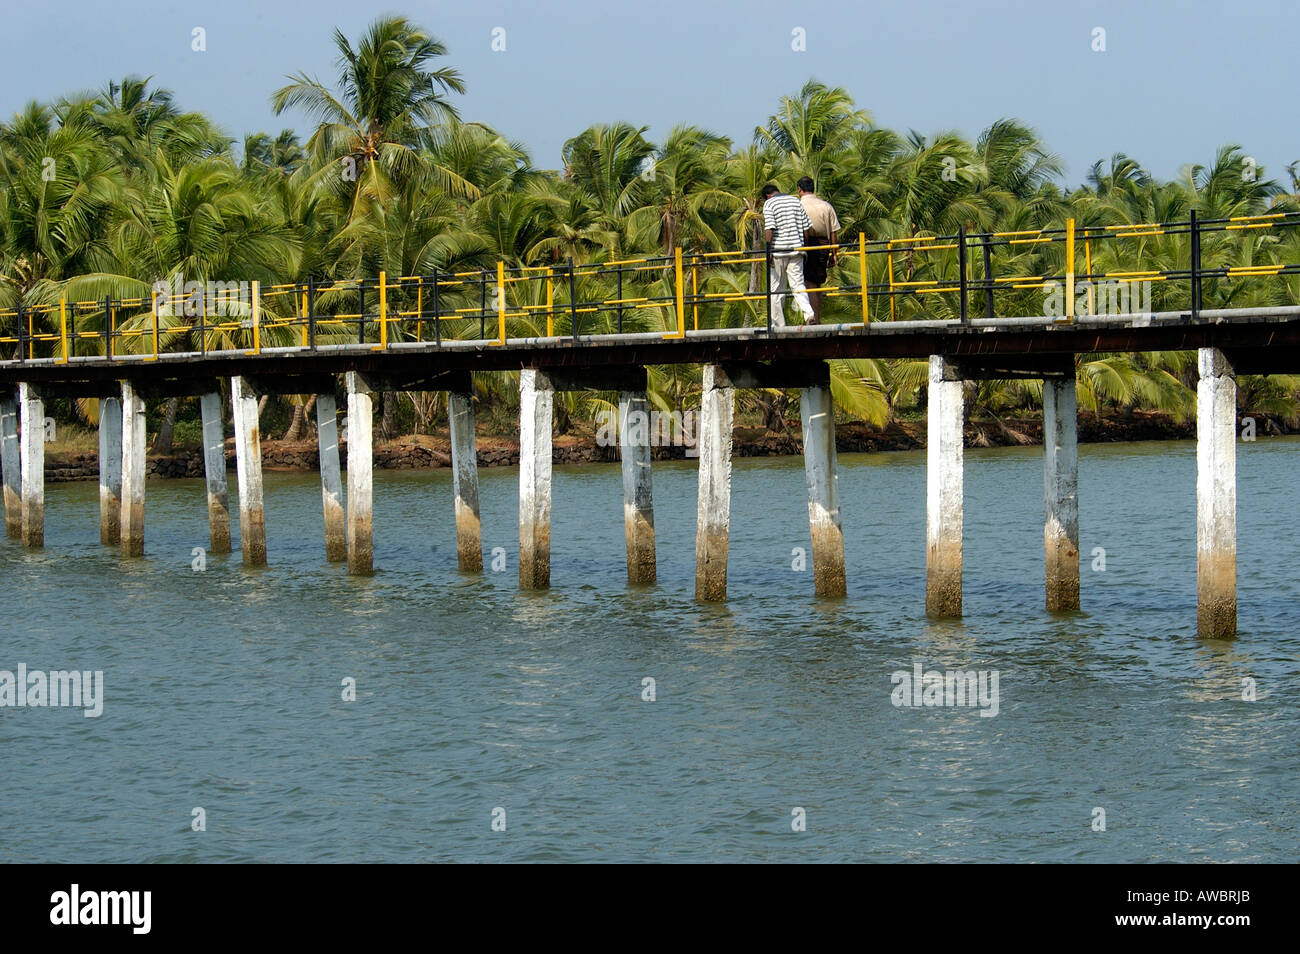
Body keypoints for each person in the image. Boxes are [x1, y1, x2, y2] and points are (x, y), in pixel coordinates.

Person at [761, 184, 815, 328]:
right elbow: (806, 228)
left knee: (776, 290)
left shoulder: (769, 203)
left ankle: (779, 325)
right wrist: (804, 248)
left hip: (778, 251)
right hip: (796, 250)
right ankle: (809, 314)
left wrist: (768, 250)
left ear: (767, 195)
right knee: (798, 285)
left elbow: (769, 228)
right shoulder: (795, 200)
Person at [797, 176, 841, 324]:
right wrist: (834, 253)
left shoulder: (798, 205)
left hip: (806, 243)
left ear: (799, 190)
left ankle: (813, 318)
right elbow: (834, 232)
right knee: (817, 282)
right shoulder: (826, 206)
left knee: (808, 281)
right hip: (824, 244)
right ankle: (817, 317)